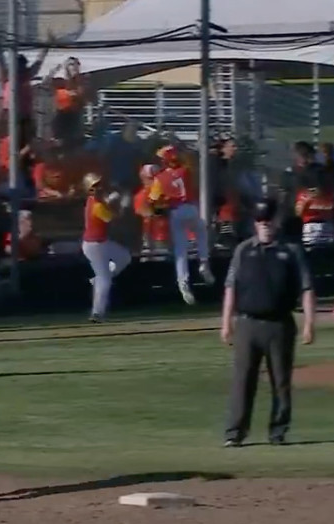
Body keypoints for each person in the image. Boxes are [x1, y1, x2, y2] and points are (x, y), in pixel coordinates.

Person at [221, 201, 315, 447]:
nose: (265, 225)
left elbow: (306, 288)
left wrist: (309, 323)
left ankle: (278, 431)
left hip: (280, 324)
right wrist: (226, 322)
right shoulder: (243, 250)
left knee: (281, 381)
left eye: (269, 221)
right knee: (243, 380)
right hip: (247, 324)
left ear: (277, 222)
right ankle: (235, 433)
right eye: (261, 221)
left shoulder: (291, 251)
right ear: (255, 223)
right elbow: (231, 287)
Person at [148, 145, 215, 305]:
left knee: (180, 251)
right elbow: (188, 160)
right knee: (201, 231)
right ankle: (204, 263)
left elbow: (152, 200)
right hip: (190, 208)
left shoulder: (159, 178)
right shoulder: (186, 170)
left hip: (175, 212)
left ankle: (183, 283)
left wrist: (158, 209)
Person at [81, 173, 132, 322]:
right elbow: (113, 218)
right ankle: (97, 313)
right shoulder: (96, 205)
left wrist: (114, 197)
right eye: (94, 187)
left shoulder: (94, 201)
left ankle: (99, 279)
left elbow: (105, 204)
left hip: (101, 242)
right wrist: (123, 204)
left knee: (124, 257)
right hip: (94, 245)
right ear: (89, 190)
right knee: (105, 280)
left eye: (98, 185)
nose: (98, 188)